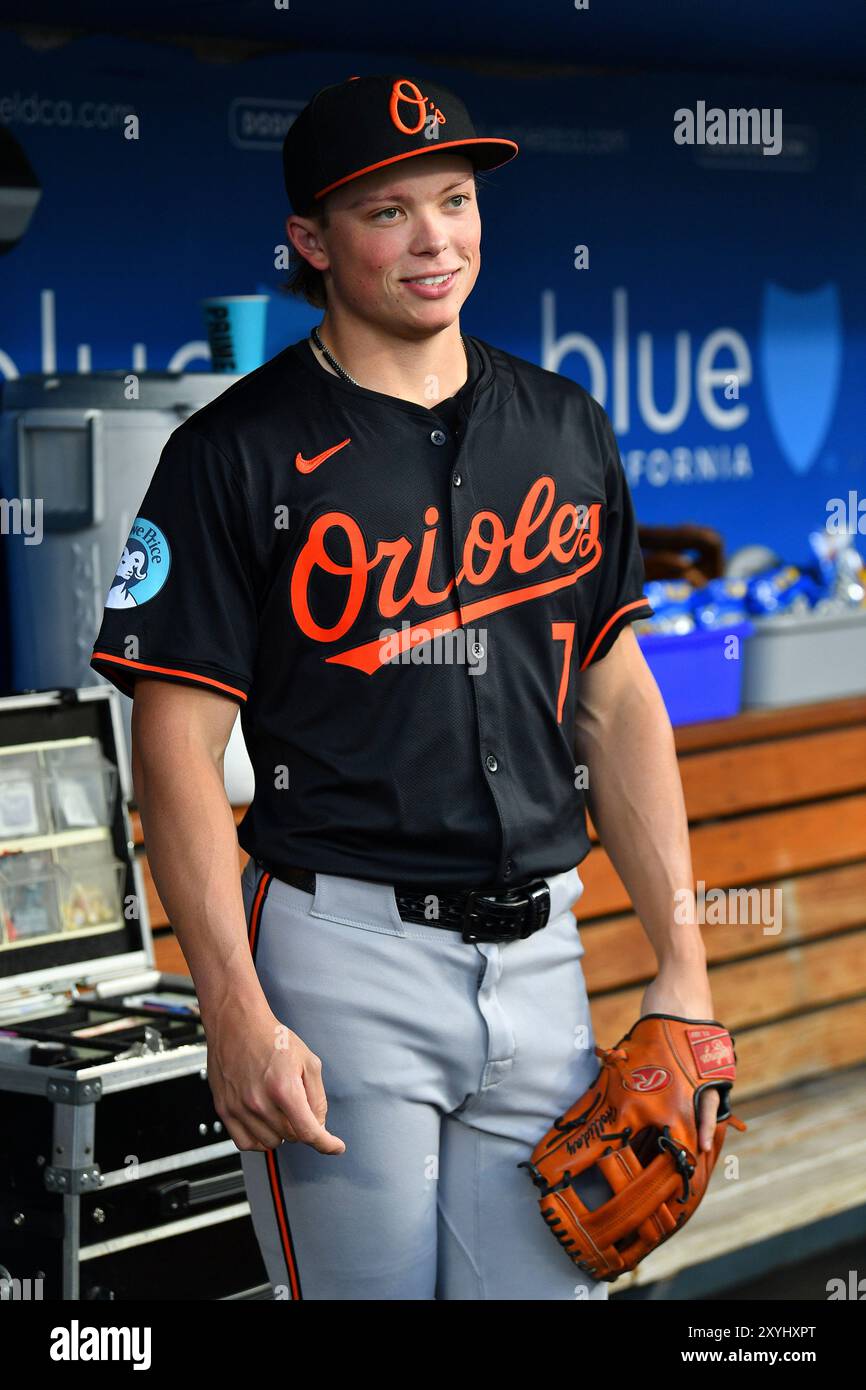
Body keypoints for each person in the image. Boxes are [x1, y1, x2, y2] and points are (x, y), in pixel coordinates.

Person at [90, 72, 721, 1301]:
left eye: (454, 198)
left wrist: (683, 961)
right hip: (337, 958)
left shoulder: (562, 425)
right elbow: (173, 745)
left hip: (540, 952)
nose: (436, 238)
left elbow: (615, 699)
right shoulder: (229, 454)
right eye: (388, 211)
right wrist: (231, 1006)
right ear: (311, 243)